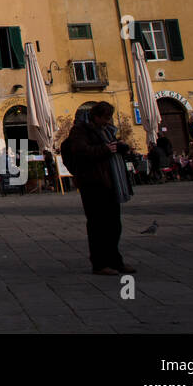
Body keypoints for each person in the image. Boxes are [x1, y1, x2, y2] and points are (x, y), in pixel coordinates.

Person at [62, 102, 134, 276]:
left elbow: (111, 148)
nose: (108, 121)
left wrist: (120, 147)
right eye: (106, 118)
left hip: (111, 182)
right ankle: (100, 263)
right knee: (97, 225)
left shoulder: (107, 131)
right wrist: (105, 149)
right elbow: (81, 150)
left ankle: (116, 261)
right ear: (96, 116)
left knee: (114, 224)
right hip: (93, 182)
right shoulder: (80, 131)